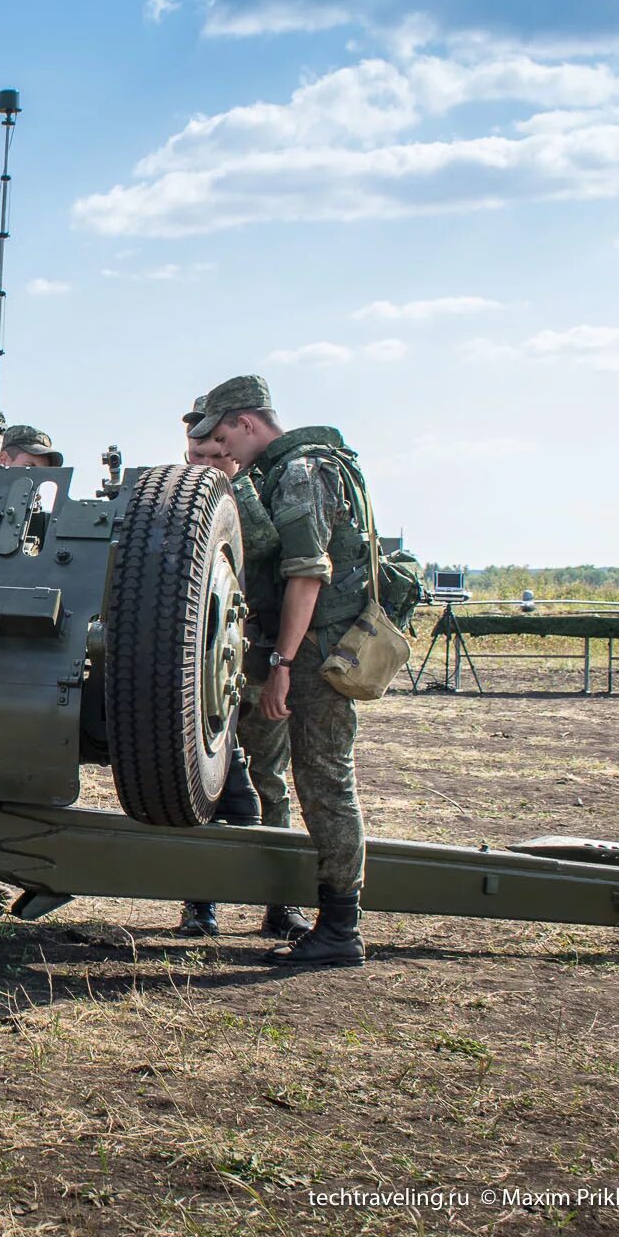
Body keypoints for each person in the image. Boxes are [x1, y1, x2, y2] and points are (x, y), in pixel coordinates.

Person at [186, 375, 371, 967]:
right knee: (317, 784)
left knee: (325, 786)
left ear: (245, 423)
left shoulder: (301, 471)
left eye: (222, 436)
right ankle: (331, 921)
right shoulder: (290, 469)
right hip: (304, 649)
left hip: (313, 653)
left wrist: (285, 663)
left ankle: (341, 929)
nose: (223, 451)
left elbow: (306, 573)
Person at [175, 427, 309, 941]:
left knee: (271, 784)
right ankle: (199, 904)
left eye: (217, 454)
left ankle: (282, 904)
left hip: (255, 669)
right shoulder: (176, 509)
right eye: (197, 454)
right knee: (197, 787)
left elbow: (283, 561)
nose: (209, 463)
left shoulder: (264, 497)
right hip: (197, 675)